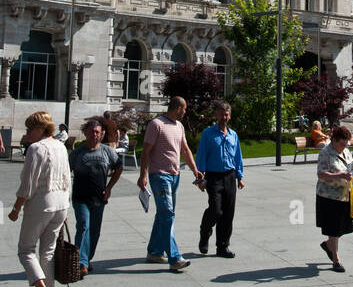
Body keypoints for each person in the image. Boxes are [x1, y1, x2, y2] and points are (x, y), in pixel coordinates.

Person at [7, 111, 71, 287]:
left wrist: (16, 207)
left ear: (40, 129)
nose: (27, 134)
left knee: (25, 249)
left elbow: (28, 184)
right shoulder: (61, 146)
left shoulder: (35, 149)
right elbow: (67, 177)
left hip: (41, 204)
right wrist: (66, 204)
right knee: (48, 251)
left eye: (29, 129)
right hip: (61, 203)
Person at [137, 96, 204, 272]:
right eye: (184, 110)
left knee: (163, 214)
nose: (185, 113)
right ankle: (174, 257)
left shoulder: (179, 126)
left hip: (175, 176)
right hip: (159, 175)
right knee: (167, 214)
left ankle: (155, 251)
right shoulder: (156, 124)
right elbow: (146, 151)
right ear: (178, 108)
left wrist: (195, 170)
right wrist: (143, 174)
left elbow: (185, 150)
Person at [69, 118, 124, 275]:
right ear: (85, 133)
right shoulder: (77, 153)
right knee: (83, 226)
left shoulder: (107, 151)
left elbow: (119, 167)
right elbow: (66, 172)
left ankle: (87, 258)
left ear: (102, 134)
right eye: (91, 131)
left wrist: (109, 187)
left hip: (99, 198)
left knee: (94, 231)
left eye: (97, 132)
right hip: (80, 197)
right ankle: (81, 262)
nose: (94, 135)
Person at [196, 100, 244, 258]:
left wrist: (239, 176)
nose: (224, 117)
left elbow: (238, 157)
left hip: (229, 176)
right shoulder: (208, 134)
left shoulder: (233, 135)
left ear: (229, 116)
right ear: (216, 115)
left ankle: (223, 246)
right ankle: (205, 231)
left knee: (228, 213)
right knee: (216, 210)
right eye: (221, 114)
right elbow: (201, 155)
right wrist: (200, 177)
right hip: (214, 177)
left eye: (227, 114)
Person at [316, 125, 353, 273]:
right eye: (341, 143)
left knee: (342, 228)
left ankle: (329, 245)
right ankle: (336, 259)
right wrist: (340, 175)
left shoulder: (346, 151)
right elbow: (321, 174)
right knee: (333, 229)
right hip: (328, 196)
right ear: (334, 140)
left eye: (346, 144)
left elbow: (351, 165)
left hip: (344, 195)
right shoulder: (325, 153)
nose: (343, 147)